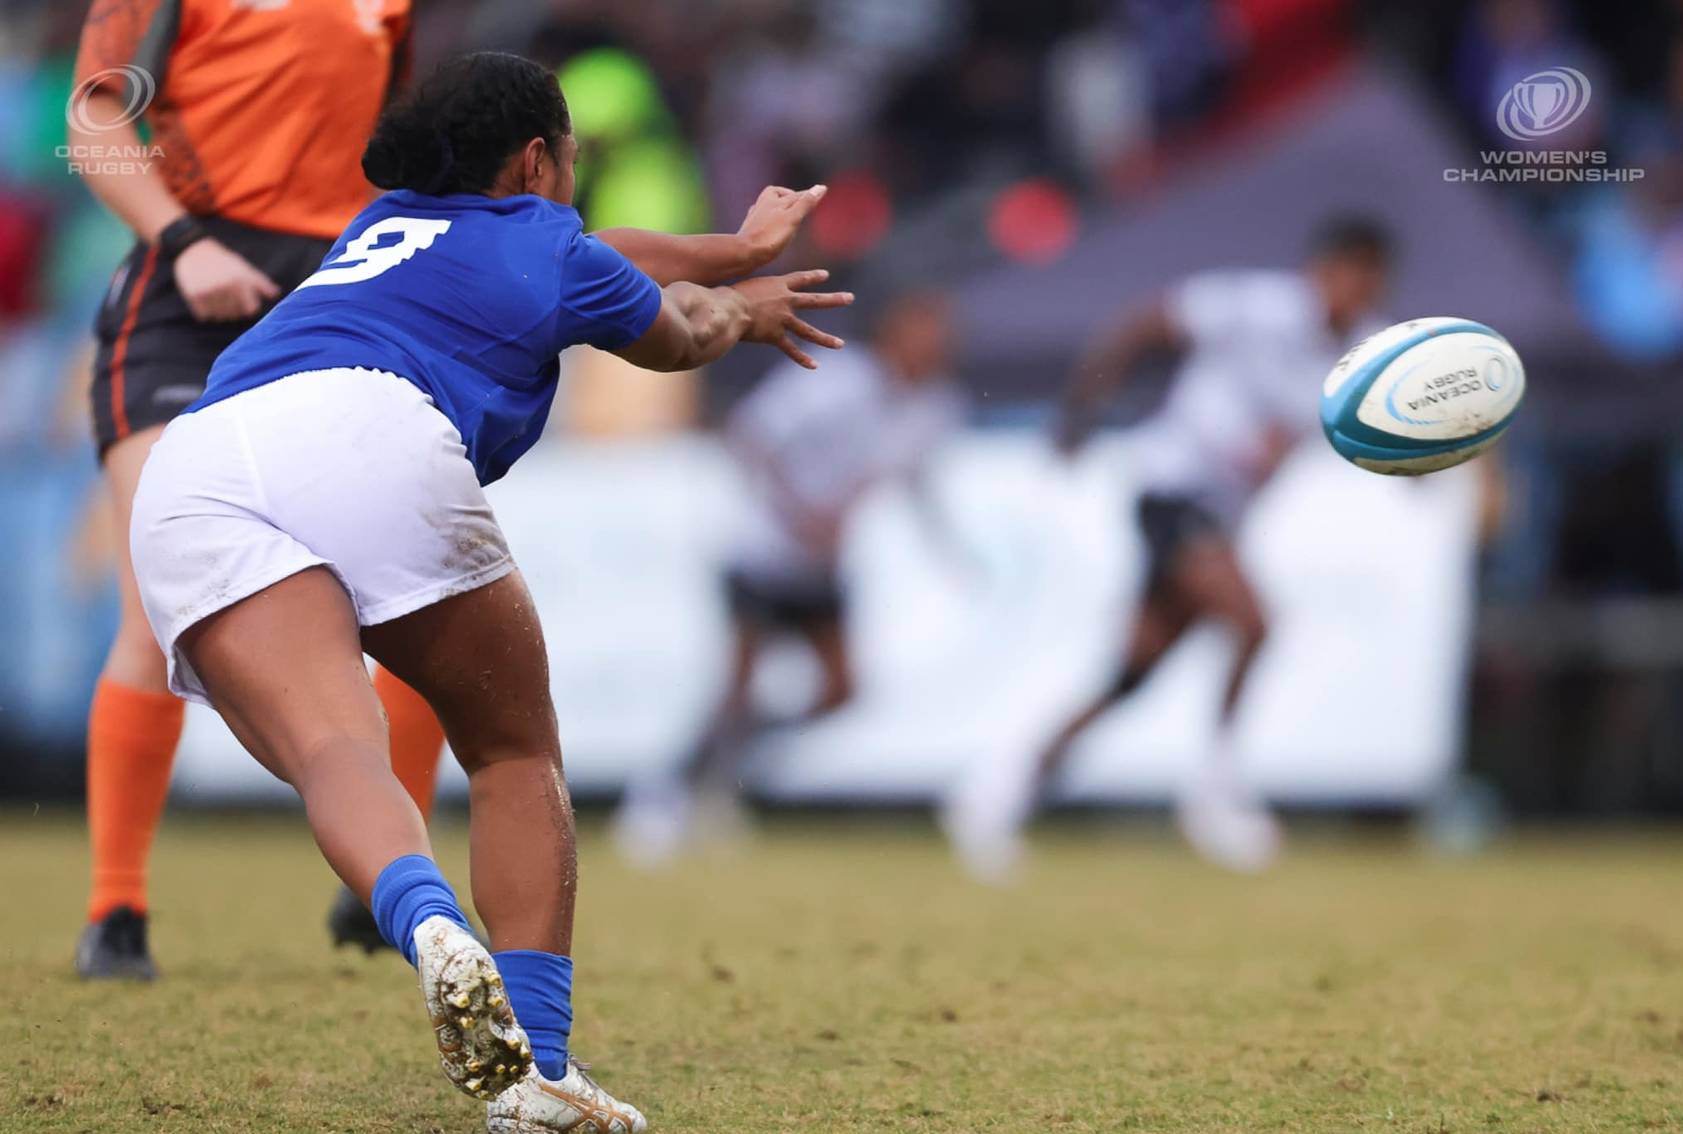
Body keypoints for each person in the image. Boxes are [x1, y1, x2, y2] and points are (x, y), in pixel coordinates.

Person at [127, 51, 851, 1131]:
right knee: (511, 751)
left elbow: (589, 248)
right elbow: (674, 325)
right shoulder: (549, 243)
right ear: (536, 158)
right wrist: (738, 301)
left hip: (198, 457)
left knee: (336, 748)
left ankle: (423, 923)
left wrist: (728, 246)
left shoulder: (381, 223)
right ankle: (539, 1072)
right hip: (366, 427)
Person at [66, 0, 454, 975]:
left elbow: (396, 144)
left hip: (334, 291)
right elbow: (94, 122)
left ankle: (384, 883)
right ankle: (116, 910)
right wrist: (184, 240)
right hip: (185, 288)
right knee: (157, 605)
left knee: (427, 601)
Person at [944, 216, 1394, 879]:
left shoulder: (1366, 351)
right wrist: (1080, 412)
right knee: (1253, 621)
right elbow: (1146, 324)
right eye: (1351, 275)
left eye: (1371, 282)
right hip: (1171, 487)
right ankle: (1214, 791)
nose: (1357, 292)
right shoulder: (1260, 307)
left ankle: (998, 788)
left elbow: (1412, 412)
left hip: (1223, 512)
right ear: (1324, 270)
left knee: (1132, 671)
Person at [615, 291, 965, 864]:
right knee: (738, 684)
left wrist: (952, 556)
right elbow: (750, 433)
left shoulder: (934, 408)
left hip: (821, 566)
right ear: (893, 331)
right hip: (762, 549)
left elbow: (916, 483)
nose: (935, 343)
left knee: (841, 690)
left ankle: (729, 764)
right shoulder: (836, 382)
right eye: (923, 327)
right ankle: (666, 789)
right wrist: (797, 508)